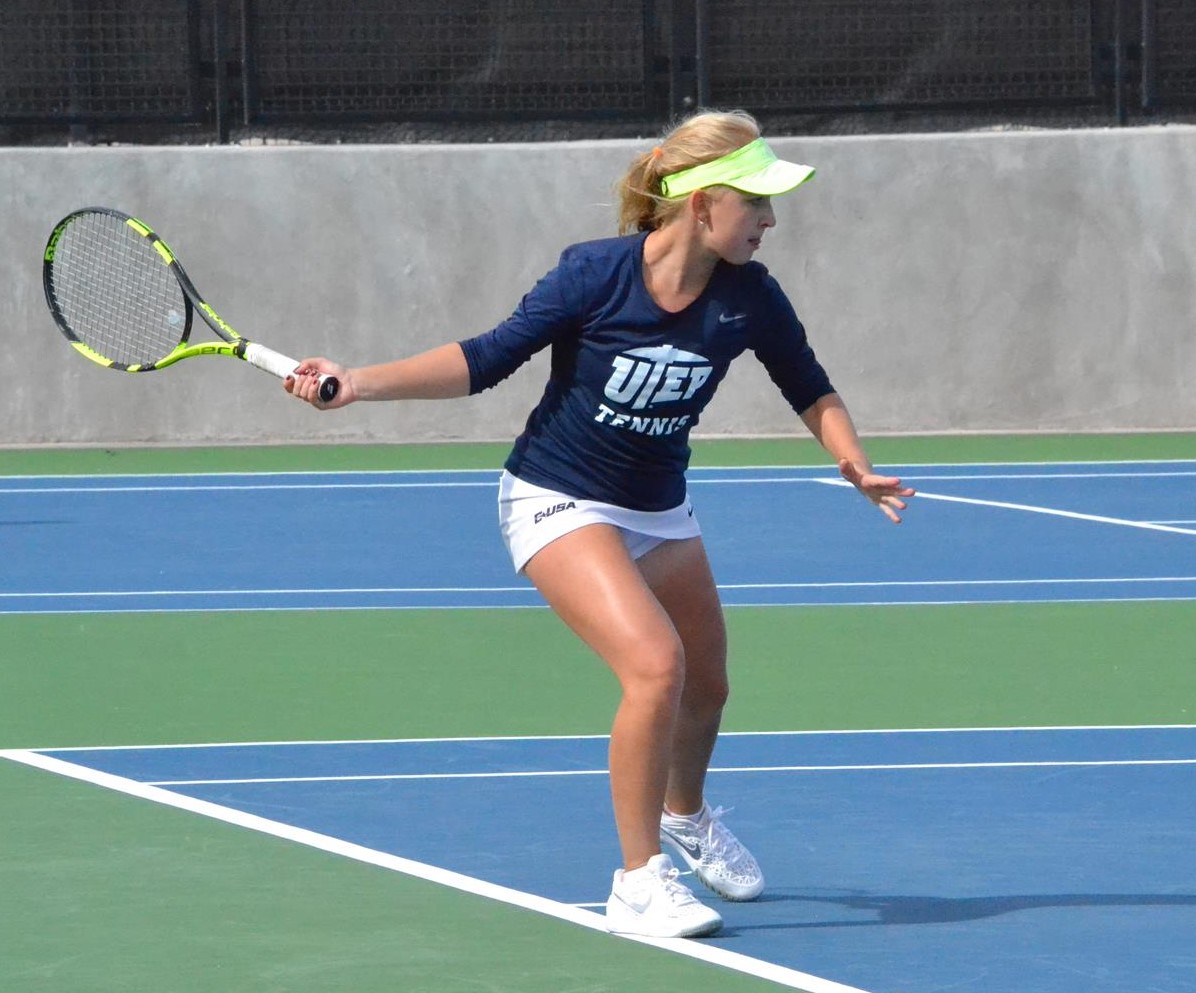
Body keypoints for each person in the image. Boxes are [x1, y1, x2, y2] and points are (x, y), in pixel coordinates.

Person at [284, 109, 913, 939]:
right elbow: (485, 357)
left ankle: (684, 814)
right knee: (657, 667)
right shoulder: (594, 275)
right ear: (701, 203)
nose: (769, 220)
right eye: (756, 201)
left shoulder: (748, 297)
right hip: (556, 496)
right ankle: (637, 881)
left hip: (657, 505)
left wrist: (851, 458)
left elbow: (809, 383)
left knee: (709, 685)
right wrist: (357, 381)